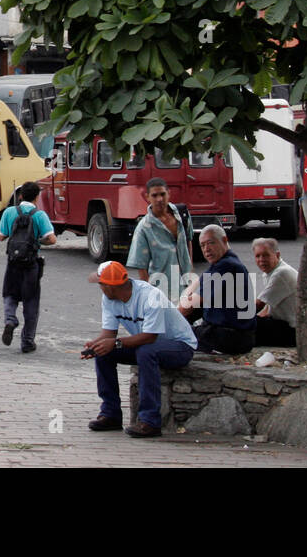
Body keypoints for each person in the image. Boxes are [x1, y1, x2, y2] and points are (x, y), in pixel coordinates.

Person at [83, 261, 197, 438]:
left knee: (146, 351)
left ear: (111, 286)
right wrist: (95, 345)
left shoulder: (150, 296)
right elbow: (109, 333)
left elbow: (150, 337)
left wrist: (115, 343)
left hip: (180, 347)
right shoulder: (109, 299)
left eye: (101, 284)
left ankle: (150, 421)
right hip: (147, 344)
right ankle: (110, 413)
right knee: (103, 352)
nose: (99, 288)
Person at [0, 181, 56, 354]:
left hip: (13, 262)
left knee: (10, 293)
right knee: (31, 301)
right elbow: (52, 239)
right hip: (31, 263)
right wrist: (37, 241)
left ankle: (10, 320)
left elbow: (1, 237)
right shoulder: (40, 215)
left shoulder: (9, 212)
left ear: (20, 195)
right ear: (37, 197)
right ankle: (27, 342)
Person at [178, 225, 255, 355]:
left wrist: (184, 301)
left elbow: (186, 306)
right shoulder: (223, 263)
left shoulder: (226, 266)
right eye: (202, 246)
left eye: (211, 243)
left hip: (229, 337)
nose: (206, 249)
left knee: (172, 331)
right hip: (235, 336)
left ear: (224, 240)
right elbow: (198, 285)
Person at [125, 177, 193, 304]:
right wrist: (150, 296)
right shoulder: (143, 228)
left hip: (186, 288)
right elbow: (141, 267)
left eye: (162, 194)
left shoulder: (182, 215)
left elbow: (188, 242)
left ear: (169, 193)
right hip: (162, 293)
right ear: (147, 197)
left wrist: (191, 273)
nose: (159, 199)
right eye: (154, 195)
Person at [251, 237, 297, 347]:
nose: (261, 259)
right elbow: (267, 308)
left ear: (277, 255)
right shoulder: (270, 272)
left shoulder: (281, 273)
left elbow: (258, 305)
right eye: (258, 256)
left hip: (291, 331)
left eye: (266, 255)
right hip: (281, 325)